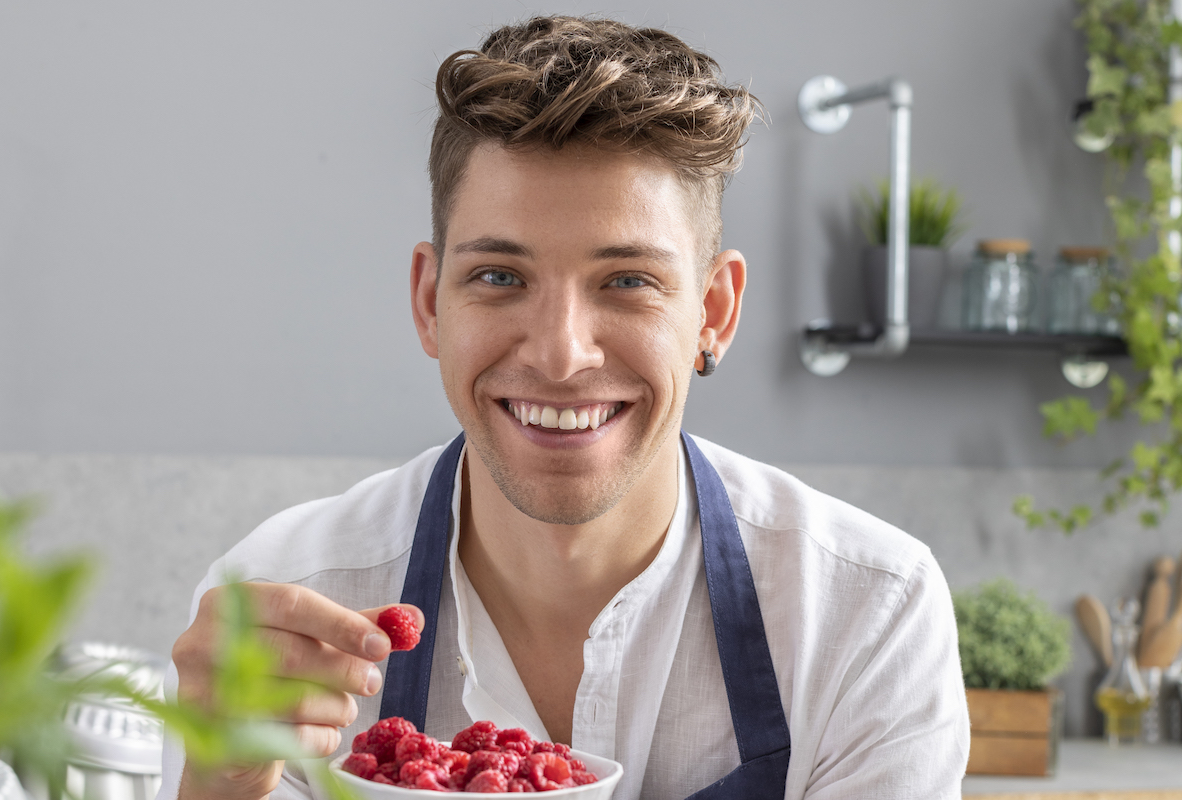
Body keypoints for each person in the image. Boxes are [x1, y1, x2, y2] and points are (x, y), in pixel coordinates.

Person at [160, 16, 969, 800]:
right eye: (500, 277)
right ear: (429, 302)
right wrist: (219, 786)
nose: (559, 353)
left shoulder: (865, 615)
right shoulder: (283, 611)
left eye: (627, 281)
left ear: (713, 312)